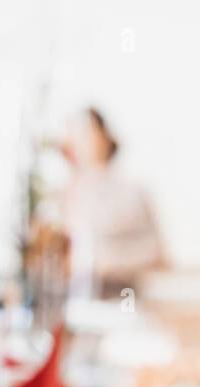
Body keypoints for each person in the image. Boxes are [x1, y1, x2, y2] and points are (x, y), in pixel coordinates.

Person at [61, 107, 164, 300]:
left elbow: (158, 253)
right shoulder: (64, 196)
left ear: (104, 136)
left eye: (85, 133)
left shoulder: (133, 193)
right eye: (73, 134)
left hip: (124, 301)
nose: (78, 141)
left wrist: (107, 262)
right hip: (78, 305)